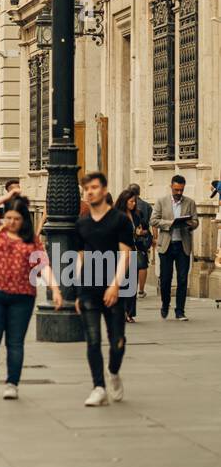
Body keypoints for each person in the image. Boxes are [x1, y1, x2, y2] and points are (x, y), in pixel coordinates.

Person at [0, 192, 60, 400]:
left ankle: (12, 383)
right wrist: (7, 197)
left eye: (17, 219)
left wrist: (56, 289)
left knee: (15, 342)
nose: (12, 222)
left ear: (24, 220)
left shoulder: (31, 241)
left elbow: (44, 266)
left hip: (22, 297)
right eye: (9, 217)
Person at [76, 172, 135, 406]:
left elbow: (125, 255)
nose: (89, 192)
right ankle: (98, 387)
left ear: (104, 189)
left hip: (114, 288)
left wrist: (115, 285)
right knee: (92, 340)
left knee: (117, 340)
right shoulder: (82, 223)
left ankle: (113, 372)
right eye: (86, 189)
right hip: (89, 289)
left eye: (94, 188)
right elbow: (79, 259)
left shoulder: (119, 220)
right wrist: (79, 293)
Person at [151, 175, 199, 321]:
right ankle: (165, 304)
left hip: (182, 245)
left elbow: (196, 221)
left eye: (181, 190)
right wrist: (169, 223)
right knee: (165, 279)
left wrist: (191, 223)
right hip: (166, 245)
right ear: (171, 186)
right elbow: (153, 220)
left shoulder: (190, 202)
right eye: (176, 189)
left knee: (183, 279)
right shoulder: (161, 202)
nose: (179, 193)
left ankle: (180, 311)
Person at [113, 188, 144, 323]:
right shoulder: (116, 215)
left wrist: (140, 233)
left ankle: (130, 312)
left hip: (132, 250)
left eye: (135, 201)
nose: (134, 204)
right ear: (124, 201)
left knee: (132, 283)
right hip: (120, 252)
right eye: (131, 201)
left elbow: (141, 229)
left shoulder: (136, 215)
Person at [130, 183, 154, 298]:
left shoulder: (125, 205)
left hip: (131, 239)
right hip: (143, 238)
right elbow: (152, 222)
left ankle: (132, 288)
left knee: (131, 264)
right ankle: (141, 290)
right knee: (143, 264)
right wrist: (155, 236)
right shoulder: (147, 206)